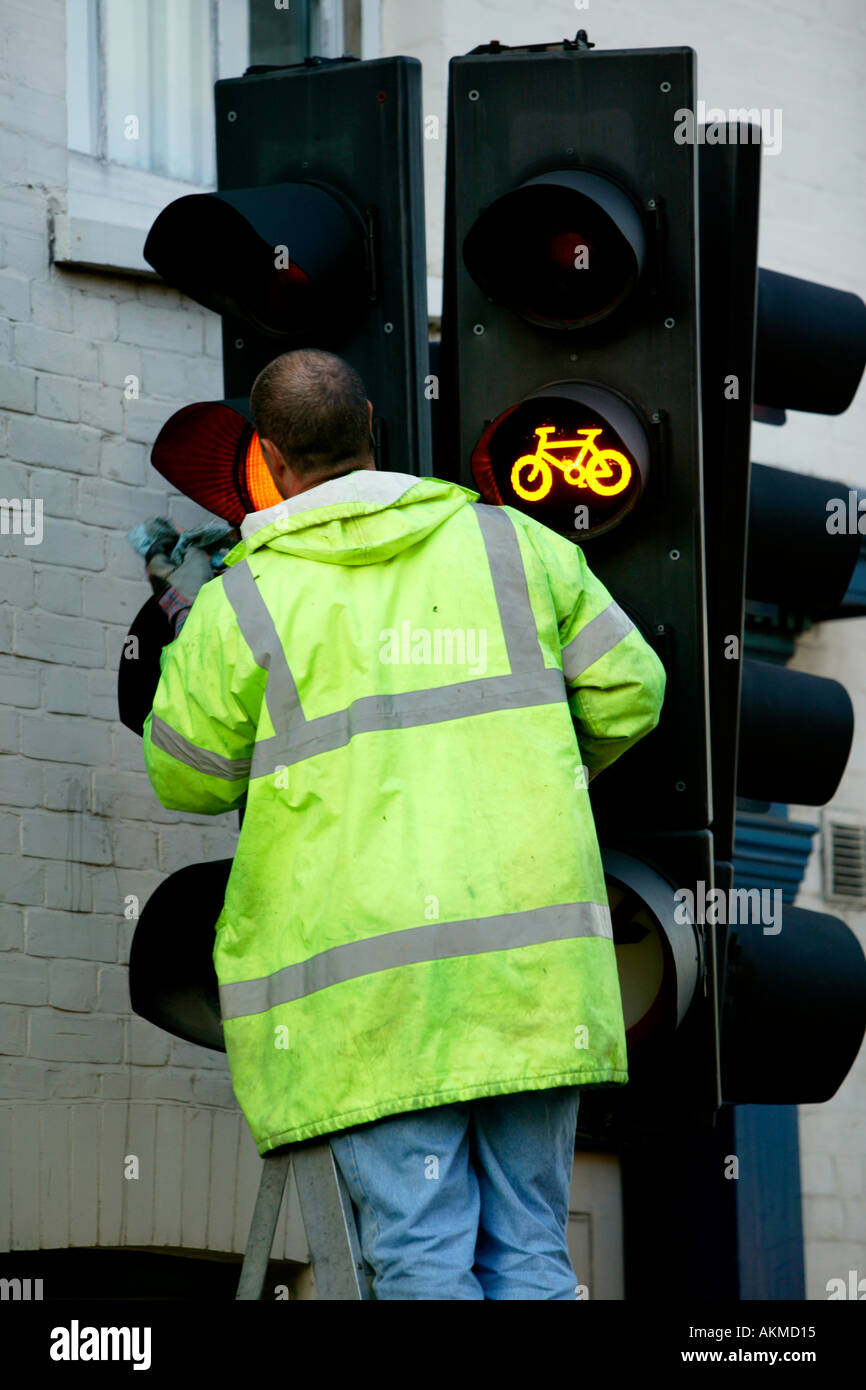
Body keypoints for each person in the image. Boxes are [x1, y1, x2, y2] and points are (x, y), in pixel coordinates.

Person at [141, 347, 666, 1300]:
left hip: (371, 1004)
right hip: (527, 979)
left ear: (268, 455)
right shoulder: (514, 545)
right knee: (535, 1257)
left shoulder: (245, 603)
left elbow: (185, 775)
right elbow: (634, 690)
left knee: (423, 1262)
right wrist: (533, 766)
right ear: (374, 426)